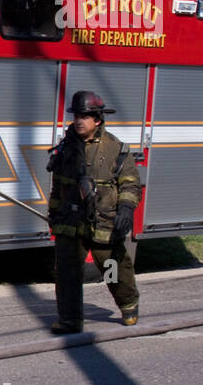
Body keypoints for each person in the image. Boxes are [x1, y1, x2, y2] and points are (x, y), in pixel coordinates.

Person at [46, 90, 142, 334]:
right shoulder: (66, 148)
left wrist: (126, 209)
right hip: (70, 221)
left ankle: (128, 305)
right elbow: (58, 186)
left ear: (97, 119)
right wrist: (54, 214)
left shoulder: (115, 148)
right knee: (67, 273)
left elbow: (130, 183)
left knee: (111, 269)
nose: (79, 120)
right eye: (77, 115)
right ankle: (70, 320)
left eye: (85, 116)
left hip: (104, 221)